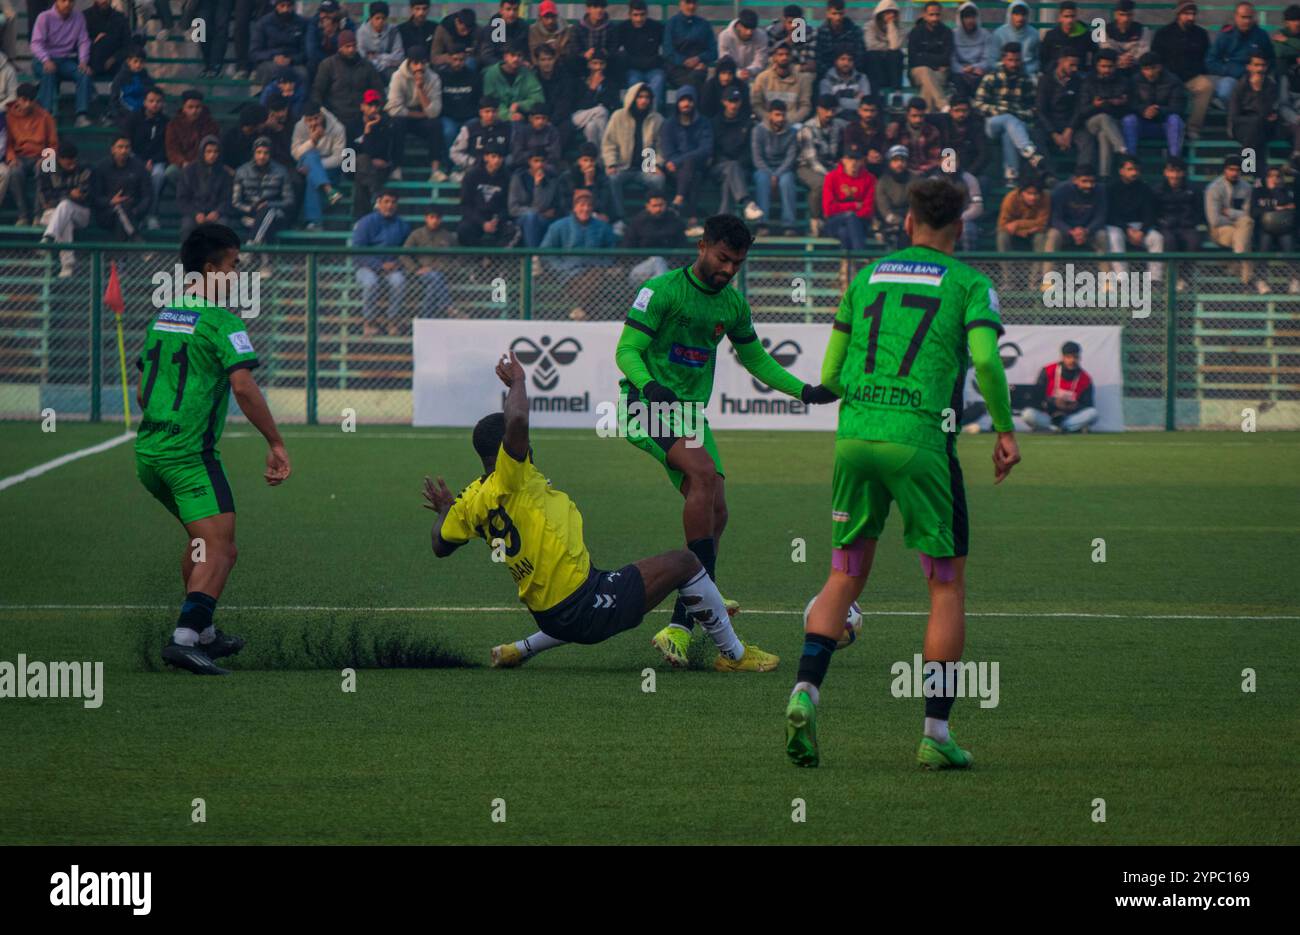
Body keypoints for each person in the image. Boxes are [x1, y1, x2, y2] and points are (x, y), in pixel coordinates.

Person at [784, 176, 1019, 770]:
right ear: (960, 229)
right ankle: (936, 734)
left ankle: (804, 693)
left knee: (843, 575)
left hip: (855, 436)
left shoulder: (864, 279)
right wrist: (1005, 430)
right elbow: (988, 361)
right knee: (944, 585)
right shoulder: (970, 283)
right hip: (920, 443)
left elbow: (832, 374)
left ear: (907, 223)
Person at [429, 352, 777, 672]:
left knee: (609, 590)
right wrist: (518, 382)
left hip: (552, 613)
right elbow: (517, 419)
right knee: (686, 564)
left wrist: (446, 510)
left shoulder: (471, 500)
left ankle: (519, 649)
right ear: (509, 448)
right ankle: (734, 655)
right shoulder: (512, 474)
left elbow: (440, 546)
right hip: (582, 606)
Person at [614, 214, 838, 666]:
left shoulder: (732, 305)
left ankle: (681, 623)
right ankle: (706, 594)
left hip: (689, 415)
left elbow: (755, 359)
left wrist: (805, 391)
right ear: (702, 246)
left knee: (718, 507)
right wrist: (648, 384)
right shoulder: (660, 292)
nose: (729, 270)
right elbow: (626, 350)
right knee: (702, 474)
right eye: (722, 259)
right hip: (645, 404)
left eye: (737, 262)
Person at [137, 223, 291, 676]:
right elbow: (243, 387)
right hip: (188, 456)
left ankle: (204, 633)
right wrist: (276, 442)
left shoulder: (165, 314)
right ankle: (185, 638)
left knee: (205, 542)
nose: (237, 274)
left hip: (150, 454)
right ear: (211, 270)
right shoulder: (222, 322)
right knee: (222, 550)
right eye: (233, 266)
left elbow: (145, 391)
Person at [538, 190, 616, 320]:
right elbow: (545, 252)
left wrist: (603, 264)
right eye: (581, 205)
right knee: (597, 279)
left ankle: (580, 309)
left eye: (588, 206)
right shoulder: (558, 226)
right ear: (574, 207)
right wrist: (560, 268)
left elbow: (612, 252)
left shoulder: (603, 227)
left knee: (598, 275)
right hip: (568, 275)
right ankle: (587, 312)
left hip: (595, 271)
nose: (585, 209)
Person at [974, 42, 1040, 182]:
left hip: (1017, 125)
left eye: (1017, 60)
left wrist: (1015, 114)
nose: (1013, 64)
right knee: (1008, 118)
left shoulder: (1026, 79)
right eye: (1010, 60)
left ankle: (1011, 176)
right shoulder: (991, 77)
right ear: (1003, 60)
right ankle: (1028, 150)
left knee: (1009, 130)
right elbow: (978, 105)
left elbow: (1033, 110)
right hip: (992, 123)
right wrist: (1003, 111)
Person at [601, 82, 664, 222]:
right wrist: (611, 164)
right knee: (612, 179)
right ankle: (620, 218)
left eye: (647, 97)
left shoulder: (657, 119)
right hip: (622, 166)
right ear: (632, 98)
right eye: (640, 97)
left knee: (658, 179)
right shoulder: (618, 116)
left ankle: (650, 216)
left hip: (646, 167)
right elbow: (608, 143)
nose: (643, 100)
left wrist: (657, 165)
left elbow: (661, 147)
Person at [1152, 1, 1213, 140]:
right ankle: (1165, 127)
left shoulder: (1201, 34)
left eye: (1193, 14)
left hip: (1191, 78)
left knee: (1206, 86)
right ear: (1178, 14)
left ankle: (1193, 128)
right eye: (1186, 14)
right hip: (1167, 78)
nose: (1190, 17)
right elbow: (1156, 58)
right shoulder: (1163, 33)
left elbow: (1205, 59)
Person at [352, 189, 409, 335]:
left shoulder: (402, 225)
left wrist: (397, 263)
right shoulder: (366, 222)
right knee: (370, 282)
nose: (390, 205)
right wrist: (378, 265)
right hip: (367, 267)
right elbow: (357, 251)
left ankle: (393, 321)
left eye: (393, 202)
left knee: (399, 281)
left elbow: (407, 250)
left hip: (393, 267)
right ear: (379, 203)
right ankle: (369, 322)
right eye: (386, 202)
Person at [387, 46, 445, 182]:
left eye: (422, 63)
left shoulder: (433, 78)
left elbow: (434, 112)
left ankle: (435, 170)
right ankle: (396, 168)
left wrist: (420, 88)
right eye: (416, 63)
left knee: (436, 125)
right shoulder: (398, 76)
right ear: (409, 63)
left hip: (423, 116)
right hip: (407, 116)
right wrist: (419, 115)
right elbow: (393, 109)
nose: (419, 67)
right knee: (397, 123)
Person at [311, 29, 383, 137]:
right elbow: (317, 91)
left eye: (354, 46)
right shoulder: (328, 65)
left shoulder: (367, 66)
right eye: (347, 46)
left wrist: (374, 110)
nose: (351, 49)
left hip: (362, 116)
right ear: (340, 47)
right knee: (348, 150)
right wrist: (323, 114)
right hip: (336, 117)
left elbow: (379, 91)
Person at [30, 0, 91, 126]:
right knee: (48, 71)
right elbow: (36, 43)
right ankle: (46, 114)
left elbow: (83, 41)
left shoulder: (78, 17)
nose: (67, 4)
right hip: (43, 59)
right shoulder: (44, 17)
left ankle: (81, 115)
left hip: (64, 60)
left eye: (70, 1)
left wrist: (83, 61)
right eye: (63, 1)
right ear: (56, 1)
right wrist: (46, 59)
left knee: (83, 74)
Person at [660, 83, 711, 230]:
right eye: (683, 100)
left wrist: (679, 160)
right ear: (677, 103)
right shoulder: (669, 124)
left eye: (689, 100)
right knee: (694, 177)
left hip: (697, 165)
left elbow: (705, 149)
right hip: (674, 169)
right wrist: (676, 161)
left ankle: (679, 199)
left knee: (691, 163)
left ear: (694, 102)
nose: (686, 104)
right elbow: (667, 150)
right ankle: (692, 218)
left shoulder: (704, 123)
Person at [1105, 155, 1163, 284]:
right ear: (1121, 171)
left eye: (1136, 169)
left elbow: (1150, 214)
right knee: (1114, 236)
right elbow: (1110, 215)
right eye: (1130, 169)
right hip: (1118, 226)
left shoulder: (1145, 188)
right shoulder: (1111, 189)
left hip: (1139, 226)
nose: (1134, 172)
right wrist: (1127, 229)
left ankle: (1155, 280)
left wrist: (1142, 231)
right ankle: (1121, 278)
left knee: (1157, 238)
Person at [2, 83, 55, 225]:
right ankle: (23, 215)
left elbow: (53, 144)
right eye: (24, 100)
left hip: (41, 155)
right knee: (13, 172)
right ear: (18, 99)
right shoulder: (9, 117)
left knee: (46, 168)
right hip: (20, 156)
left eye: (31, 100)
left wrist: (46, 157)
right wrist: (11, 157)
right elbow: (8, 144)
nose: (28, 104)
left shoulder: (45, 116)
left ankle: (38, 215)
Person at [36, 139, 89, 277]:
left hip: (81, 213)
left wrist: (61, 196)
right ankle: (67, 264)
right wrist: (68, 193)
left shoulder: (84, 168)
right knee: (65, 219)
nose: (71, 164)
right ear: (59, 159)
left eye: (73, 161)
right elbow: (45, 198)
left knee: (65, 206)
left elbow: (84, 196)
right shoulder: (49, 166)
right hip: (52, 214)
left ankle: (48, 238)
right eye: (67, 161)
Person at [1045, 165, 1108, 280]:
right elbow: (1055, 219)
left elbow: (1100, 217)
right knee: (1053, 234)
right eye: (1084, 181)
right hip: (1066, 231)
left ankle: (1107, 281)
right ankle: (1048, 281)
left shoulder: (1100, 190)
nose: (1089, 185)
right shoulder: (1061, 190)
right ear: (1075, 180)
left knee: (1102, 235)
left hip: (1089, 232)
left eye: (1092, 181)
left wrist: (1086, 231)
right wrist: (1071, 231)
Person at [1206, 2, 1273, 108]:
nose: (1247, 21)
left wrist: (1262, 72)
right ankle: (1238, 115)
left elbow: (1270, 58)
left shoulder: (1261, 35)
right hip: (1232, 76)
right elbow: (1210, 61)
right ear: (1236, 17)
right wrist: (1228, 70)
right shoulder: (1225, 35)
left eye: (1249, 17)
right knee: (1225, 91)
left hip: (1256, 75)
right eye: (1243, 17)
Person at [291, 102, 346, 230]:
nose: (313, 123)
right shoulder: (299, 127)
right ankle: (329, 191)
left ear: (321, 115)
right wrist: (312, 141)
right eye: (309, 120)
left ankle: (315, 222)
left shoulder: (338, 128)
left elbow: (339, 158)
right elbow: (295, 153)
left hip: (329, 170)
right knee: (310, 155)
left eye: (316, 118)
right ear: (305, 119)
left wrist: (314, 167)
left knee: (312, 174)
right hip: (304, 164)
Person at [1021, 341, 1097, 432]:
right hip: (1048, 415)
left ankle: (1055, 428)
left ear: (1079, 358)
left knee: (1093, 414)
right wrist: (1053, 402)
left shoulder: (1085, 378)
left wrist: (1074, 406)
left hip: (1069, 416)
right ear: (1063, 357)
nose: (1072, 360)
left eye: (1075, 357)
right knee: (1027, 414)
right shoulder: (1048, 371)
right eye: (1069, 357)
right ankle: (1065, 428)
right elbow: (1036, 398)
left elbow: (1088, 405)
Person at [231, 136, 295, 244]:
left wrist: (268, 204)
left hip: (275, 213)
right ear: (254, 153)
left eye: (266, 153)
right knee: (265, 223)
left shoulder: (281, 171)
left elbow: (289, 201)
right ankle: (264, 257)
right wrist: (251, 208)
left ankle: (251, 246)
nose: (262, 156)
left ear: (270, 154)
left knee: (269, 211)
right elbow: (235, 202)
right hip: (249, 214)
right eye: (259, 152)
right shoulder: (241, 171)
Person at [1078, 49, 1131, 178]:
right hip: (1091, 123)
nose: (1107, 70)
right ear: (1097, 66)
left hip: (1113, 124)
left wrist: (1118, 103)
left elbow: (1127, 106)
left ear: (1116, 66)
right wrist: (1095, 105)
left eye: (1110, 66)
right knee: (1103, 117)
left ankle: (1104, 176)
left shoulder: (1122, 81)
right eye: (1103, 66)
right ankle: (1122, 150)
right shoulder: (1088, 82)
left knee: (1104, 135)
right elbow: (1083, 110)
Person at [1204, 153, 1256, 286]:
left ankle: (1239, 263)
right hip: (1219, 231)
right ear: (1225, 170)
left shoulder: (1246, 188)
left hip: (1240, 228)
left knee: (1246, 225)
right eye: (1231, 169)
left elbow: (1247, 213)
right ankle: (1247, 280)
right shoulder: (1214, 188)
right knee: (1245, 235)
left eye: (1237, 170)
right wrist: (1237, 220)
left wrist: (1230, 213)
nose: (1234, 173)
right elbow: (1214, 220)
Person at [89, 133, 150, 240]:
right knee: (121, 208)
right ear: (113, 149)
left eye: (127, 147)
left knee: (123, 214)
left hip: (133, 212)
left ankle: (117, 256)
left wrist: (136, 211)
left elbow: (147, 196)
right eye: (120, 147)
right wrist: (111, 201)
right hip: (106, 214)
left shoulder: (139, 167)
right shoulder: (101, 168)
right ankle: (136, 239)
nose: (124, 151)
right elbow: (95, 198)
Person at [1124, 52, 1186, 157]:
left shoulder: (1173, 81)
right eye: (1146, 69)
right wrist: (1143, 110)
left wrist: (1159, 110)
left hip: (1165, 125)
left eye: (1153, 68)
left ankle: (1174, 162)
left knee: (1175, 119)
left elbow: (1178, 107)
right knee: (1128, 120)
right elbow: (1130, 104)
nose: (1150, 73)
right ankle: (1130, 161)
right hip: (1142, 125)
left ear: (1160, 67)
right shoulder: (1134, 80)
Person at [797, 94, 843, 233]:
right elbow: (812, 160)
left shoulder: (837, 126)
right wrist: (831, 176)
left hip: (829, 166)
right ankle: (815, 220)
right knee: (822, 183)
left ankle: (836, 220)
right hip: (805, 167)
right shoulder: (807, 128)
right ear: (818, 109)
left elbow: (835, 156)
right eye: (826, 110)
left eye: (833, 110)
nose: (830, 114)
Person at [1152, 156, 1201, 288]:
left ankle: (1185, 278)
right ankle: (1171, 277)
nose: (1174, 175)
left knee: (1193, 241)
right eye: (1171, 171)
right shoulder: (1158, 190)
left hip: (1187, 226)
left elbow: (1199, 211)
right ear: (1165, 172)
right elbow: (1154, 213)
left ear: (1183, 172)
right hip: (1166, 227)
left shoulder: (1193, 189)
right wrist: (1162, 223)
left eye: (1178, 171)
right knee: (1168, 241)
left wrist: (1190, 221)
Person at [456, 141, 517, 246]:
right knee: (463, 230)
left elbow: (507, 205)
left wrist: (497, 219)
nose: (497, 160)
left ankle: (495, 258)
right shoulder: (472, 175)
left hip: (496, 219)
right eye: (493, 156)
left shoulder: (507, 177)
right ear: (486, 158)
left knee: (513, 231)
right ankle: (478, 259)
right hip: (476, 217)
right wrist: (482, 223)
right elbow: (465, 205)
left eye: (500, 157)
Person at [751, 98, 798, 234]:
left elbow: (791, 157)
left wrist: (776, 175)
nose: (780, 118)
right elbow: (757, 158)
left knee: (787, 181)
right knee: (762, 180)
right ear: (770, 115)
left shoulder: (792, 132)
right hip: (763, 168)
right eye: (777, 115)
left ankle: (789, 224)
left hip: (783, 169)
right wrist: (770, 174)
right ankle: (762, 223)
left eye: (783, 115)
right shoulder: (758, 130)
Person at [401, 205, 457, 317]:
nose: (435, 221)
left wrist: (447, 267)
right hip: (420, 274)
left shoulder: (448, 236)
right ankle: (448, 306)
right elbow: (404, 254)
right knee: (435, 278)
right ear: (426, 218)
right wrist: (415, 269)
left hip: (442, 272)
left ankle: (426, 317)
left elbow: (459, 256)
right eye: (432, 217)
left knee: (433, 285)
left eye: (438, 218)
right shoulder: (416, 234)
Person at [1228, 52, 1282, 168]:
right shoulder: (1240, 86)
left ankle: (1247, 165)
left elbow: (1268, 113)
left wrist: (1258, 90)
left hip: (1265, 126)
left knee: (1257, 124)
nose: (1260, 69)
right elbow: (1234, 116)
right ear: (1249, 67)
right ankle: (1257, 171)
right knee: (1254, 125)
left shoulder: (1270, 86)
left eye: (1262, 65)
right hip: (1242, 126)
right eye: (1256, 65)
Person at [1250, 165, 1298, 293]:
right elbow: (1254, 211)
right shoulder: (1258, 191)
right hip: (1265, 229)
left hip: (1284, 228)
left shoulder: (1286, 191)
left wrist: (1276, 191)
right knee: (1263, 243)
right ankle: (1261, 280)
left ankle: (1294, 280)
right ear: (1266, 178)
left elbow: (1292, 208)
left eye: (1278, 176)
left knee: (1289, 244)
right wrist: (1274, 208)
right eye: (1271, 176)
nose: (1274, 179)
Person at [176, 135, 233, 239]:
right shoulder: (189, 171)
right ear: (202, 152)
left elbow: (227, 199)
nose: (212, 155)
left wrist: (217, 212)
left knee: (224, 226)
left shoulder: (225, 174)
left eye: (216, 152)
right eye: (209, 151)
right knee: (187, 227)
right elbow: (182, 199)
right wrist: (195, 213)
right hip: (194, 214)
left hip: (216, 214)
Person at [624, 191, 687, 282]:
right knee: (657, 260)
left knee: (660, 267)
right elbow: (627, 249)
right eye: (654, 206)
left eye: (661, 205)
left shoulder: (675, 222)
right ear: (647, 206)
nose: (658, 209)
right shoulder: (638, 222)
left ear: (666, 205)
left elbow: (682, 248)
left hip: (668, 269)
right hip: (640, 270)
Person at [352, 88, 396, 219]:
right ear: (362, 106)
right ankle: (376, 196)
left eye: (376, 105)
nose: (374, 108)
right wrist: (366, 132)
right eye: (370, 105)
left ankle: (359, 220)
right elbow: (347, 156)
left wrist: (369, 132)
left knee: (361, 182)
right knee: (362, 159)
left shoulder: (385, 125)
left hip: (378, 171)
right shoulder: (352, 126)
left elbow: (383, 155)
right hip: (352, 168)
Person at [508, 147, 565, 245]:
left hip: (546, 219)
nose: (539, 164)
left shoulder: (551, 179)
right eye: (536, 161)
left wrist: (539, 185)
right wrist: (536, 212)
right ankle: (533, 255)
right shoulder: (519, 178)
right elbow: (513, 209)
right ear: (529, 162)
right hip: (522, 220)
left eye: (542, 161)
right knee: (531, 217)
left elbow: (555, 205)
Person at [821, 143, 873, 249]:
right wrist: (854, 206)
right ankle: (861, 257)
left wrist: (843, 208)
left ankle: (847, 264)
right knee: (850, 216)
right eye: (850, 159)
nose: (853, 163)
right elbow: (828, 209)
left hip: (860, 223)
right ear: (843, 160)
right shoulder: (831, 177)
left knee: (845, 232)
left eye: (857, 159)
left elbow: (868, 210)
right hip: (835, 222)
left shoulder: (869, 179)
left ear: (862, 161)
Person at [616, 0, 666, 107]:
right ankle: (637, 114)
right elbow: (614, 49)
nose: (639, 19)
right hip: (633, 69)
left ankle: (652, 114)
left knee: (659, 80)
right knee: (634, 84)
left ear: (646, 14)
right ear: (629, 15)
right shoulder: (623, 28)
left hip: (653, 68)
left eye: (642, 15)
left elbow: (668, 47)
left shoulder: (656, 27)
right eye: (635, 15)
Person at [907, 1, 953, 114]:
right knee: (925, 71)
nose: (934, 18)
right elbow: (913, 59)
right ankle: (943, 104)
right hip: (918, 72)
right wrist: (935, 63)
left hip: (940, 73)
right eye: (931, 15)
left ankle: (926, 118)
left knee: (928, 85)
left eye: (937, 14)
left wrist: (924, 57)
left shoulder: (947, 32)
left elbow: (946, 58)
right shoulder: (916, 32)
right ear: (924, 15)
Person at [664, 0, 717, 94]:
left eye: (694, 3)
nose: (691, 6)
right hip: (676, 69)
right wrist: (684, 61)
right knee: (694, 85)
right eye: (688, 2)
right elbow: (668, 51)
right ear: (680, 3)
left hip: (698, 68)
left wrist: (699, 59)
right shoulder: (671, 24)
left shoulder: (704, 25)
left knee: (696, 78)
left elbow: (713, 52)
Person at [752, 41, 811, 125]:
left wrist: (791, 121)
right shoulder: (763, 78)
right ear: (774, 57)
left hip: (792, 124)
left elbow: (805, 106)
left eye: (787, 54)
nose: (784, 57)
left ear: (791, 57)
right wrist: (769, 119)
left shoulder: (802, 79)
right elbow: (756, 104)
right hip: (768, 123)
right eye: (780, 54)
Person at [251, 0, 309, 85]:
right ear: (277, 6)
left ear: (293, 6)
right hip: (269, 61)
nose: (285, 9)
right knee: (271, 71)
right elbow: (254, 53)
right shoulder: (263, 23)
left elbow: (305, 52)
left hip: (293, 62)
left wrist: (291, 59)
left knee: (303, 74)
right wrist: (274, 57)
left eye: (289, 6)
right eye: (282, 5)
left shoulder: (302, 23)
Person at [165, 90, 220, 178]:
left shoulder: (210, 124)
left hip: (204, 163)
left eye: (198, 107)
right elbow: (172, 149)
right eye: (190, 107)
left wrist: (201, 162)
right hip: (183, 164)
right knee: (171, 172)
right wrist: (183, 162)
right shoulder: (174, 124)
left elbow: (213, 146)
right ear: (184, 107)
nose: (194, 110)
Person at [482, 46, 543, 124]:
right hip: (497, 118)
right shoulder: (491, 74)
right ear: (505, 57)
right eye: (512, 55)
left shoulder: (527, 73)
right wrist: (509, 116)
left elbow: (538, 99)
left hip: (522, 116)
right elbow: (489, 101)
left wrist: (519, 105)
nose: (516, 59)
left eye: (519, 56)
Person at [569, 48, 616, 146]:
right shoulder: (580, 81)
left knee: (591, 127)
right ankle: (606, 147)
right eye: (595, 63)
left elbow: (611, 103)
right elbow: (581, 105)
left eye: (601, 64)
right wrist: (592, 88)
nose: (598, 67)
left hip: (597, 119)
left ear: (605, 65)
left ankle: (595, 157)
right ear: (589, 64)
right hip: (578, 116)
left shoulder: (609, 82)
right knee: (601, 110)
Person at [951, 2, 996, 99]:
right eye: (966, 17)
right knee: (958, 81)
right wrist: (963, 69)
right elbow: (952, 60)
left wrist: (974, 68)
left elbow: (987, 59)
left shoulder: (985, 35)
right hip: (960, 72)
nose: (970, 21)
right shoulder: (953, 35)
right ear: (961, 19)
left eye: (972, 17)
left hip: (978, 71)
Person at [1039, 1, 1095, 74]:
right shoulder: (1051, 36)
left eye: (1072, 16)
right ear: (1060, 17)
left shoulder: (1086, 35)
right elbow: (1043, 59)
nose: (1070, 20)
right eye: (1066, 16)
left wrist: (1088, 72)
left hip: (1079, 76)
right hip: (1056, 76)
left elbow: (1096, 54)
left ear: (1076, 17)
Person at [815, 0, 864, 80]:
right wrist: (832, 73)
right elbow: (819, 58)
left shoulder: (854, 31)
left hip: (852, 73)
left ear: (844, 13)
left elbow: (860, 55)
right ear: (828, 14)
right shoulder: (821, 32)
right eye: (834, 14)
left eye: (840, 14)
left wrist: (847, 70)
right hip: (827, 74)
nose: (838, 17)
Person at [873, 144, 911, 247]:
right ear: (889, 162)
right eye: (895, 160)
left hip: (911, 221)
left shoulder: (915, 180)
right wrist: (900, 222)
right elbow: (885, 211)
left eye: (902, 160)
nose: (899, 164)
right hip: (890, 223)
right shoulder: (882, 182)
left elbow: (918, 204)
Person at [892, 96, 941, 174]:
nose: (918, 120)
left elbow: (935, 156)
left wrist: (927, 167)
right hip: (904, 172)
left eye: (921, 116)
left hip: (927, 172)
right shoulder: (899, 131)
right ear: (907, 115)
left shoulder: (932, 131)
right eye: (914, 116)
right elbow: (894, 157)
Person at [357, 1, 404, 81]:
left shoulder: (393, 31)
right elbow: (361, 55)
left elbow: (399, 55)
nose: (380, 21)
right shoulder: (362, 32)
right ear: (371, 18)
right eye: (377, 18)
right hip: (369, 68)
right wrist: (378, 60)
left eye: (383, 18)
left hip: (388, 67)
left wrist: (378, 57)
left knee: (396, 76)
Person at [718, 8, 769, 83]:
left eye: (752, 29)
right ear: (738, 25)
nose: (749, 32)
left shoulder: (762, 36)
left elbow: (760, 61)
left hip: (754, 77)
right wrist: (738, 73)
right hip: (730, 77)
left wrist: (749, 71)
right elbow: (724, 60)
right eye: (746, 28)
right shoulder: (724, 36)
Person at [863, 0, 903, 91]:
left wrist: (891, 26)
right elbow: (871, 45)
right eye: (888, 12)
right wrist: (888, 47)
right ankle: (878, 91)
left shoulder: (900, 28)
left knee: (897, 54)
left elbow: (895, 46)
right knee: (872, 55)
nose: (891, 15)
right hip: (876, 65)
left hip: (891, 67)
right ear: (881, 14)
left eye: (894, 12)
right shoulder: (870, 26)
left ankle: (896, 92)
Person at [1103, 0, 1150, 76]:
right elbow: (1105, 51)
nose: (1126, 19)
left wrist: (1130, 60)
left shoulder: (1142, 30)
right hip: (1112, 68)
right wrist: (1119, 60)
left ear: (1133, 15)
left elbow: (1143, 53)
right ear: (1115, 15)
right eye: (1122, 15)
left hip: (1136, 68)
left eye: (1129, 15)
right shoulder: (1105, 30)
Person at [509, 101, 561, 170]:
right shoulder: (522, 131)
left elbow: (555, 155)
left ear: (547, 119)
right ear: (531, 118)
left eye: (543, 118)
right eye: (537, 118)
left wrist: (540, 162)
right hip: (525, 166)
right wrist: (533, 158)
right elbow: (517, 156)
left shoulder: (552, 131)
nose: (540, 122)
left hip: (545, 166)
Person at [819, 48, 871, 118]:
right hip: (835, 120)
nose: (846, 63)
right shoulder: (826, 81)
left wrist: (837, 99)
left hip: (858, 120)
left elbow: (866, 104)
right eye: (842, 59)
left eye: (850, 60)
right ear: (835, 61)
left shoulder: (862, 78)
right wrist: (855, 100)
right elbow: (827, 105)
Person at [108, 46, 156, 121]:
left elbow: (151, 91)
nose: (138, 65)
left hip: (142, 110)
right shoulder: (121, 77)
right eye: (135, 61)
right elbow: (115, 99)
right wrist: (117, 114)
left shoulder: (145, 77)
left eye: (141, 62)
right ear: (129, 61)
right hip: (125, 112)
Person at [83, 0, 128, 80]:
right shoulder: (85, 16)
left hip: (115, 62)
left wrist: (113, 58)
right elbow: (80, 42)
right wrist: (94, 41)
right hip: (92, 60)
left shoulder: (119, 17)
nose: (104, 1)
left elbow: (127, 44)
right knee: (83, 73)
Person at [993, 1, 1039, 79]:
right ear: (1010, 15)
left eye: (1023, 14)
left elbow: (1037, 60)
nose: (1020, 18)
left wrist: (1025, 70)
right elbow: (993, 60)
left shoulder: (1034, 34)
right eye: (1016, 14)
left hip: (1028, 73)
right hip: (1003, 72)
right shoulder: (999, 33)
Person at [476, 0, 528, 68]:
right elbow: (486, 57)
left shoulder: (523, 27)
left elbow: (525, 51)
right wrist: (505, 64)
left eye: (515, 9)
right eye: (508, 9)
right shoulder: (491, 28)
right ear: (501, 10)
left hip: (517, 64)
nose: (512, 13)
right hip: (494, 67)